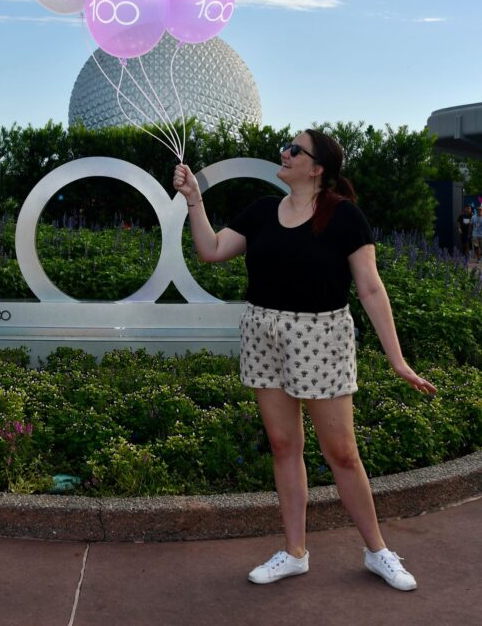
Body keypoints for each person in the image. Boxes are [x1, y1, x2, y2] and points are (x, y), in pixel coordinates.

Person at [173, 129, 436, 592]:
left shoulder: (344, 217)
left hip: (321, 337)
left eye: (295, 149)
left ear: (317, 168)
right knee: (283, 445)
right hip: (263, 332)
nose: (285, 153)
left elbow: (371, 289)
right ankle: (294, 552)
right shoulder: (259, 211)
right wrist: (194, 200)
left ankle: (378, 551)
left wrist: (397, 360)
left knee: (342, 453)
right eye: (286, 147)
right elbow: (211, 251)